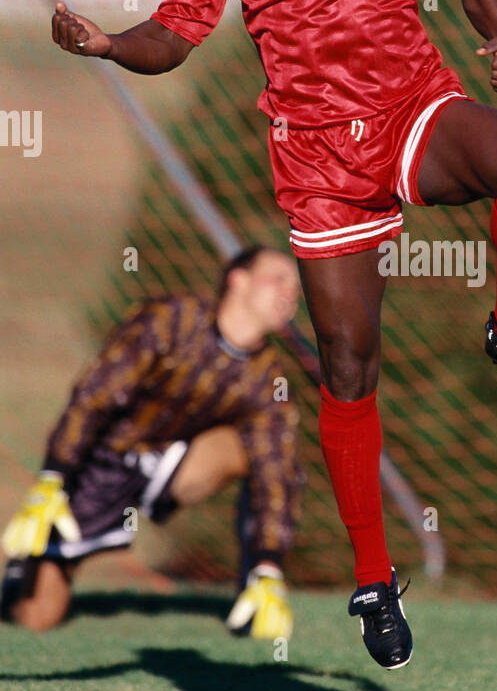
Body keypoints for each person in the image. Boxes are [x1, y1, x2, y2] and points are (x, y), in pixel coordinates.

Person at [48, 0, 497, 670]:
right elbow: (175, 34)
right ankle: (375, 580)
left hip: (414, 111)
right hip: (319, 160)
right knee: (346, 363)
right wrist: (105, 43)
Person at [2, 247, 303, 640]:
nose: (289, 293)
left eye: (296, 288)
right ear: (238, 279)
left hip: (170, 468)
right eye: (278, 278)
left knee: (261, 453)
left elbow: (276, 471)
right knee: (37, 616)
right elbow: (94, 396)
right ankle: (19, 570)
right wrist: (53, 478)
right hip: (101, 469)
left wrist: (269, 564)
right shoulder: (170, 320)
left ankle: (252, 587)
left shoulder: (269, 377)